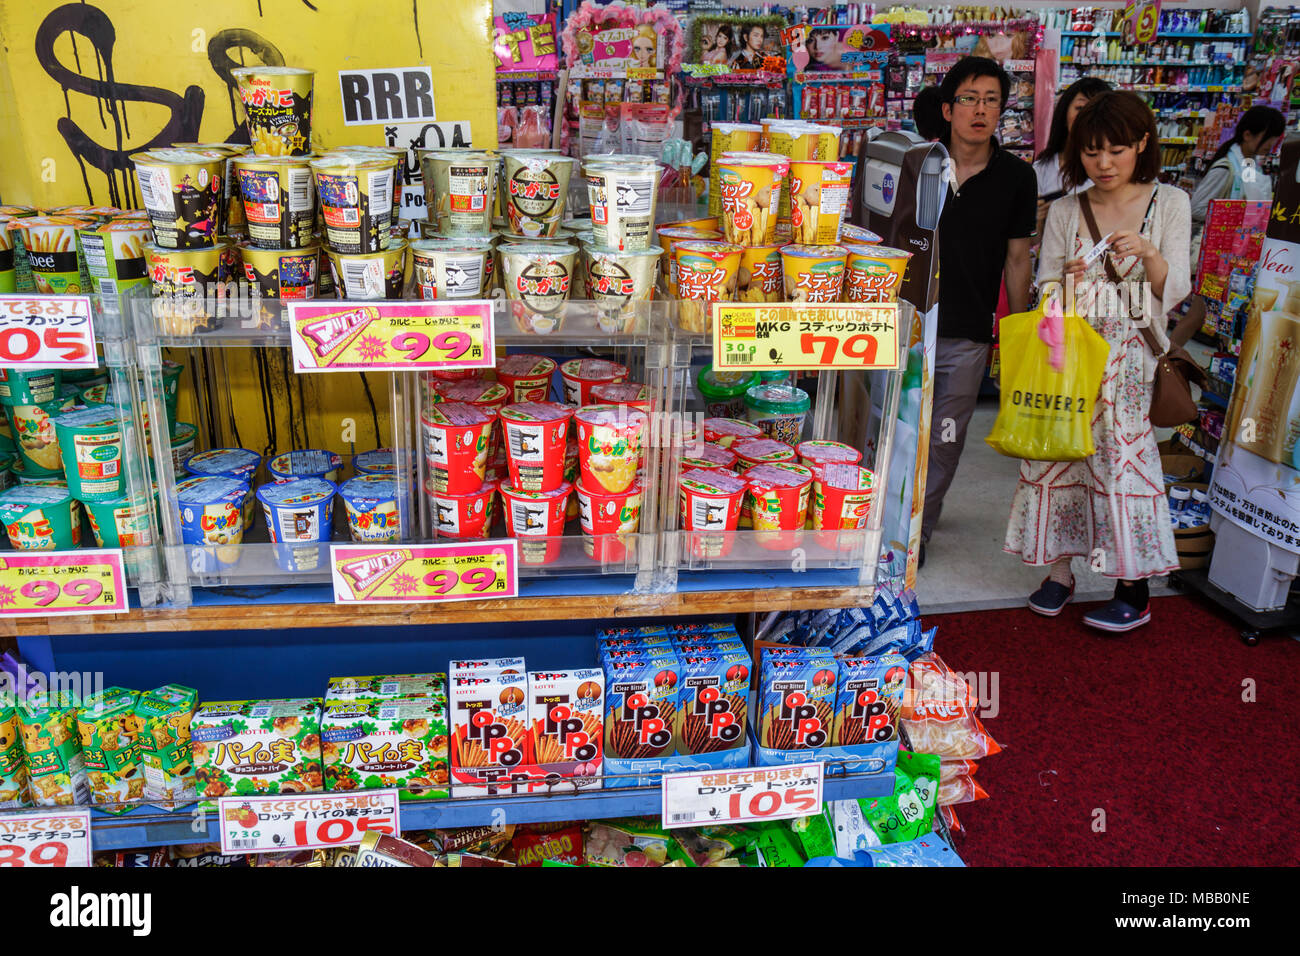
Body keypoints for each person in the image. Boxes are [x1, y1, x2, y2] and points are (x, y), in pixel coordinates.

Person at [1006, 91, 1192, 633]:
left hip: (1131, 361)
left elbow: (1173, 291)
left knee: (1122, 463)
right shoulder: (1067, 208)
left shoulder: (1170, 204)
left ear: (1142, 144)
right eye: (1090, 153)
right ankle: (1060, 573)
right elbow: (1044, 284)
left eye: (1115, 150)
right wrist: (1064, 286)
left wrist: (1151, 255)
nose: (1103, 164)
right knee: (1057, 455)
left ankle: (1132, 585)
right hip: (1070, 356)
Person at [920, 57, 1037, 565]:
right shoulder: (918, 164)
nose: (980, 110)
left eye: (991, 100)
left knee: (945, 438)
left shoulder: (1017, 177)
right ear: (948, 109)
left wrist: (1014, 335)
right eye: (969, 98)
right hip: (906, 327)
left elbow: (1018, 258)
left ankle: (916, 534)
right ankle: (883, 517)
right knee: (896, 427)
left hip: (967, 336)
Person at [1170, 106, 1285, 348]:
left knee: (1221, 314)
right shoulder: (1227, 168)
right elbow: (1197, 207)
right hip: (1216, 255)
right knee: (1200, 314)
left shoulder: (1249, 168)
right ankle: (1165, 361)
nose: (1271, 145)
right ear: (1248, 135)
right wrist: (1233, 214)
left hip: (1236, 255)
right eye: (1269, 138)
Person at [1033, 77, 1111, 240]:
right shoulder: (1042, 168)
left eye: (1095, 109)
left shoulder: (1117, 168)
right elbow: (1034, 240)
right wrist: (1037, 219)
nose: (1087, 116)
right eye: (1080, 108)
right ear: (1064, 113)